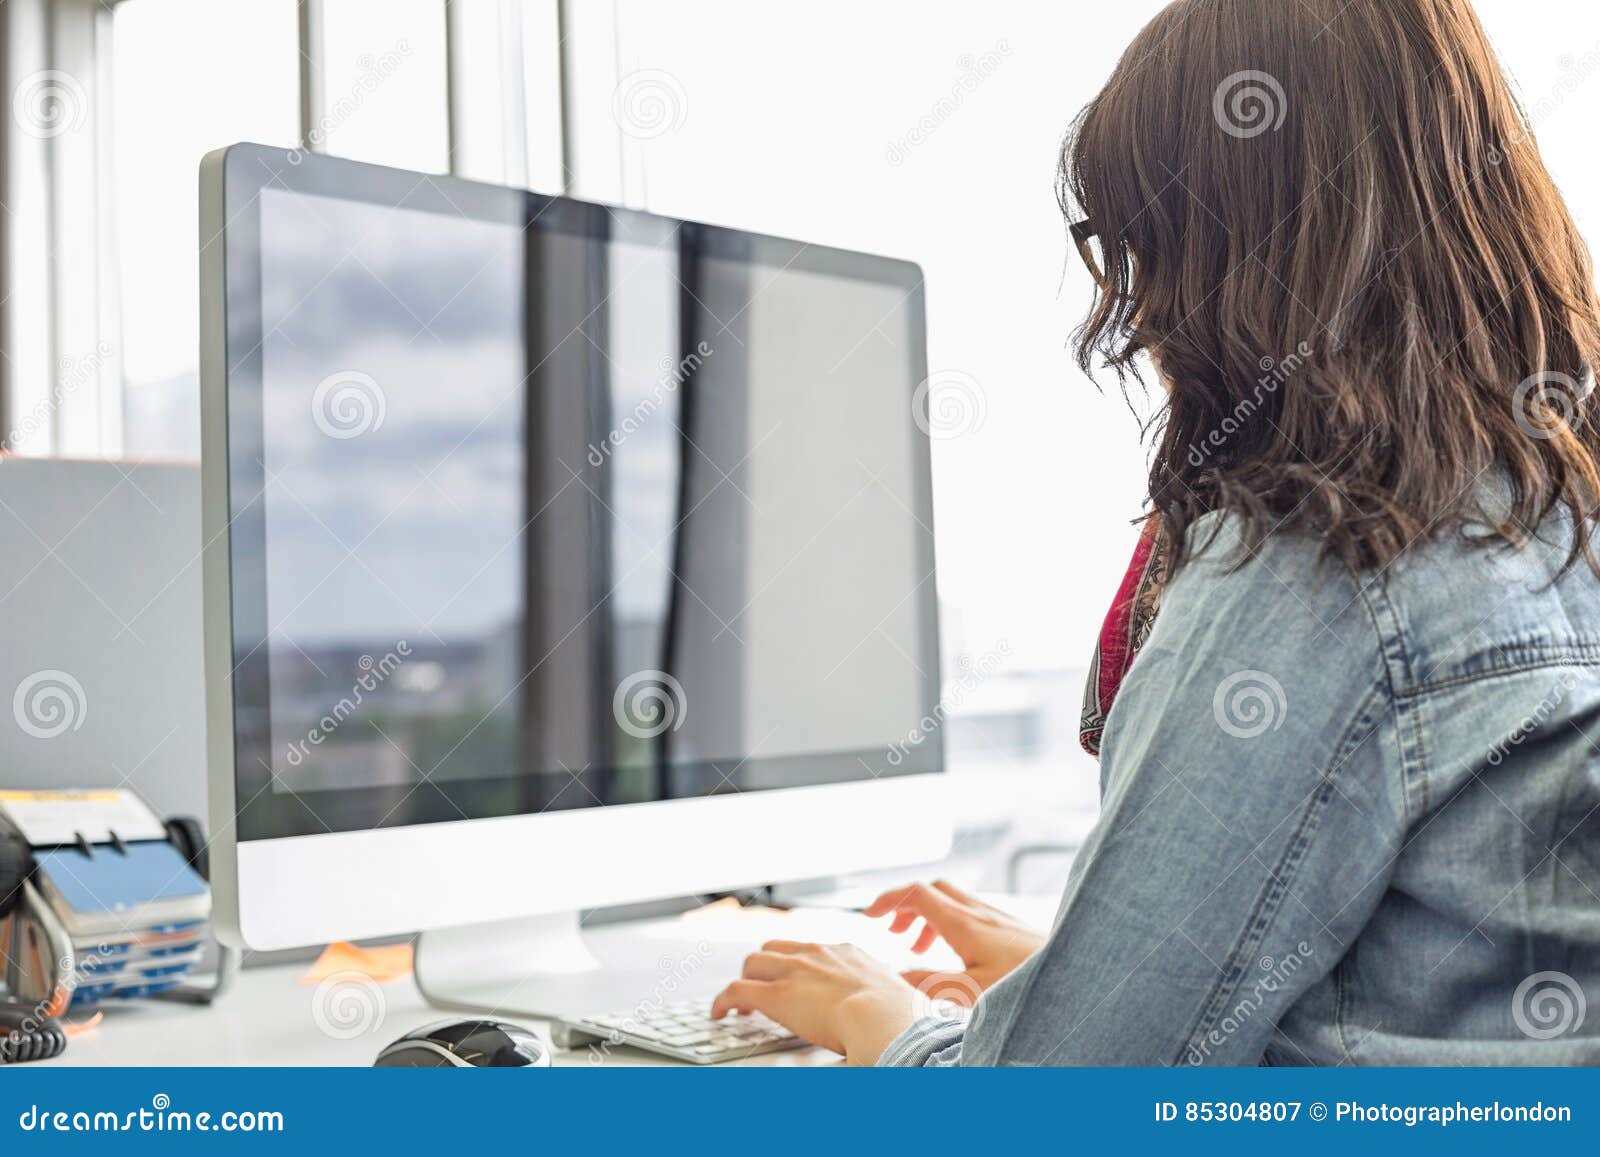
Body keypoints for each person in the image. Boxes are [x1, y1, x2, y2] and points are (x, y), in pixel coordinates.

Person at [710, 0, 1600, 1065]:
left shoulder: (1327, 567)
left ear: (1221, 249)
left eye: (1132, 243)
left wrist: (882, 1017)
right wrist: (1085, 969)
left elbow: (1055, 1107)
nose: (1132, 314)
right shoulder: (1552, 516)